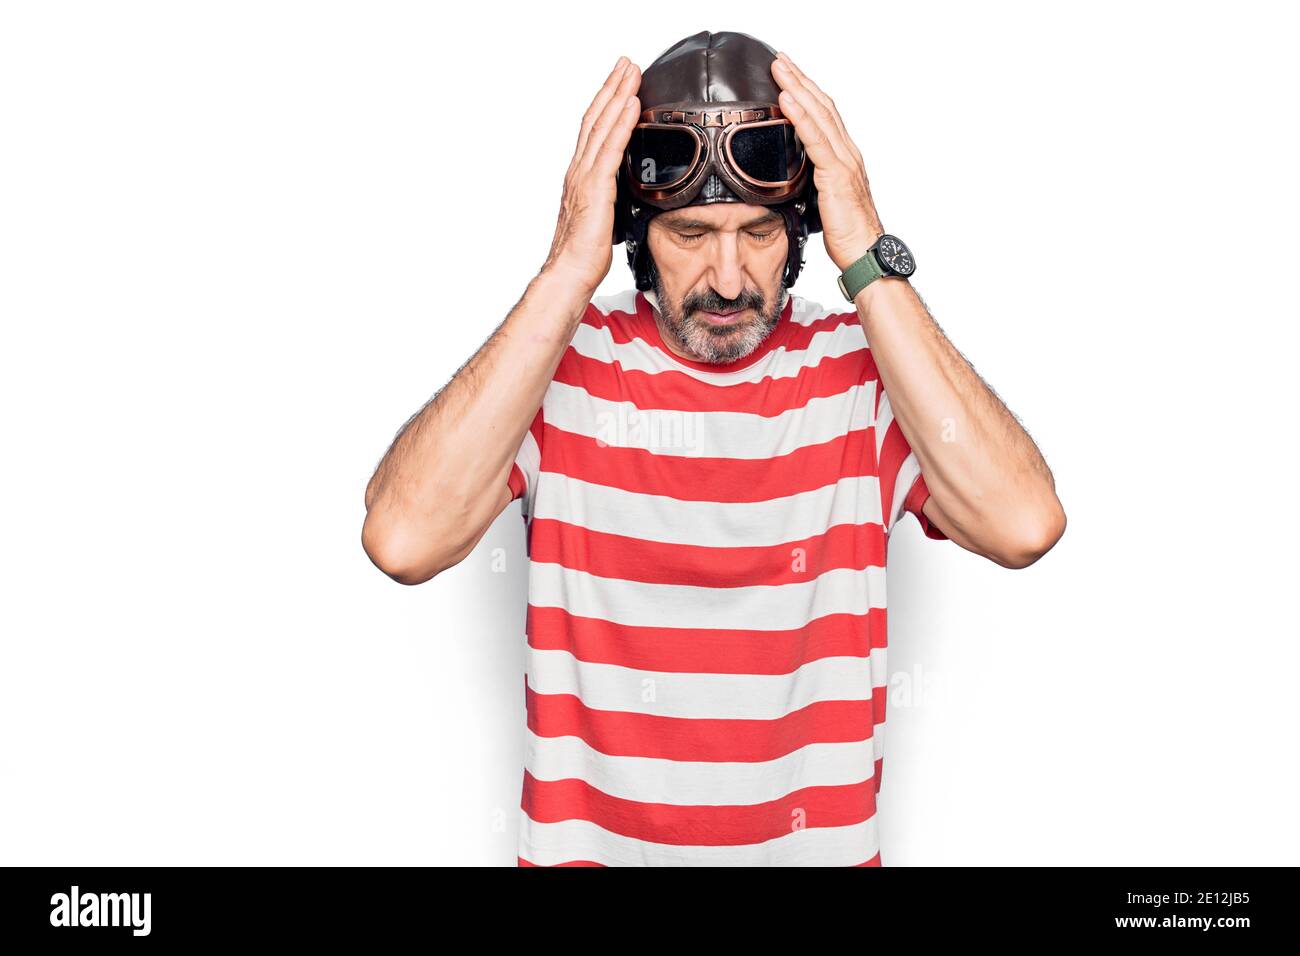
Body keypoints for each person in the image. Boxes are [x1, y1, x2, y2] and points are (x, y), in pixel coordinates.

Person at [362, 30, 1066, 866]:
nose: (728, 280)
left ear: (801, 226)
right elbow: (402, 541)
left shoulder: (862, 373)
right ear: (635, 230)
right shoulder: (562, 366)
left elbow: (1024, 524)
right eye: (692, 234)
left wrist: (867, 248)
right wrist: (566, 268)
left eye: (760, 233)